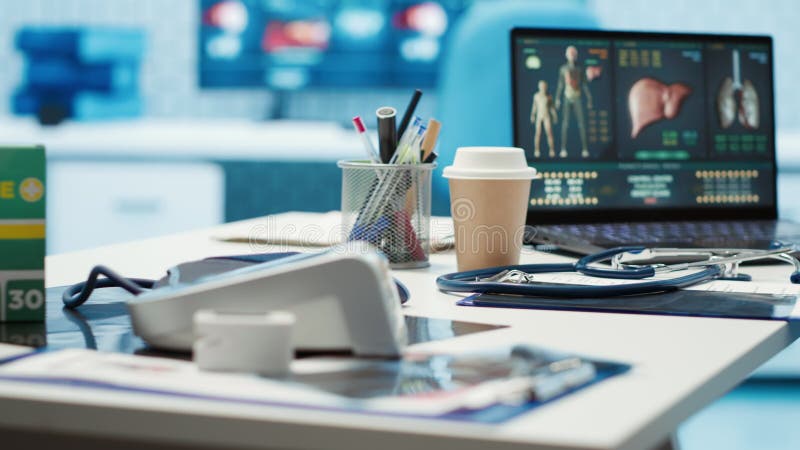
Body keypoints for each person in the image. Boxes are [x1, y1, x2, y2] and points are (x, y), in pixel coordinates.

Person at [555, 45, 592, 158]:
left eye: (573, 53)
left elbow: (584, 84)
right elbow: (560, 84)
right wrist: (557, 98)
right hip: (567, 97)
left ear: (576, 55)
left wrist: (589, 98)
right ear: (566, 55)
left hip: (577, 96)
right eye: (570, 53)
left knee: (581, 123)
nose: (571, 55)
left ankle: (585, 149)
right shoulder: (562, 69)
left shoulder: (580, 68)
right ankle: (563, 149)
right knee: (565, 124)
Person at [530, 80, 557, 158]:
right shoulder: (536, 96)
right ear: (539, 87)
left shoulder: (549, 96)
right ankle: (536, 150)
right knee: (538, 133)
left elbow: (552, 108)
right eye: (541, 86)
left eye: (544, 86)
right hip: (539, 116)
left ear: (546, 87)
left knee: (549, 133)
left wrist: (554, 116)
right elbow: (534, 107)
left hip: (546, 116)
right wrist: (532, 115)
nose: (543, 87)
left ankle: (552, 150)